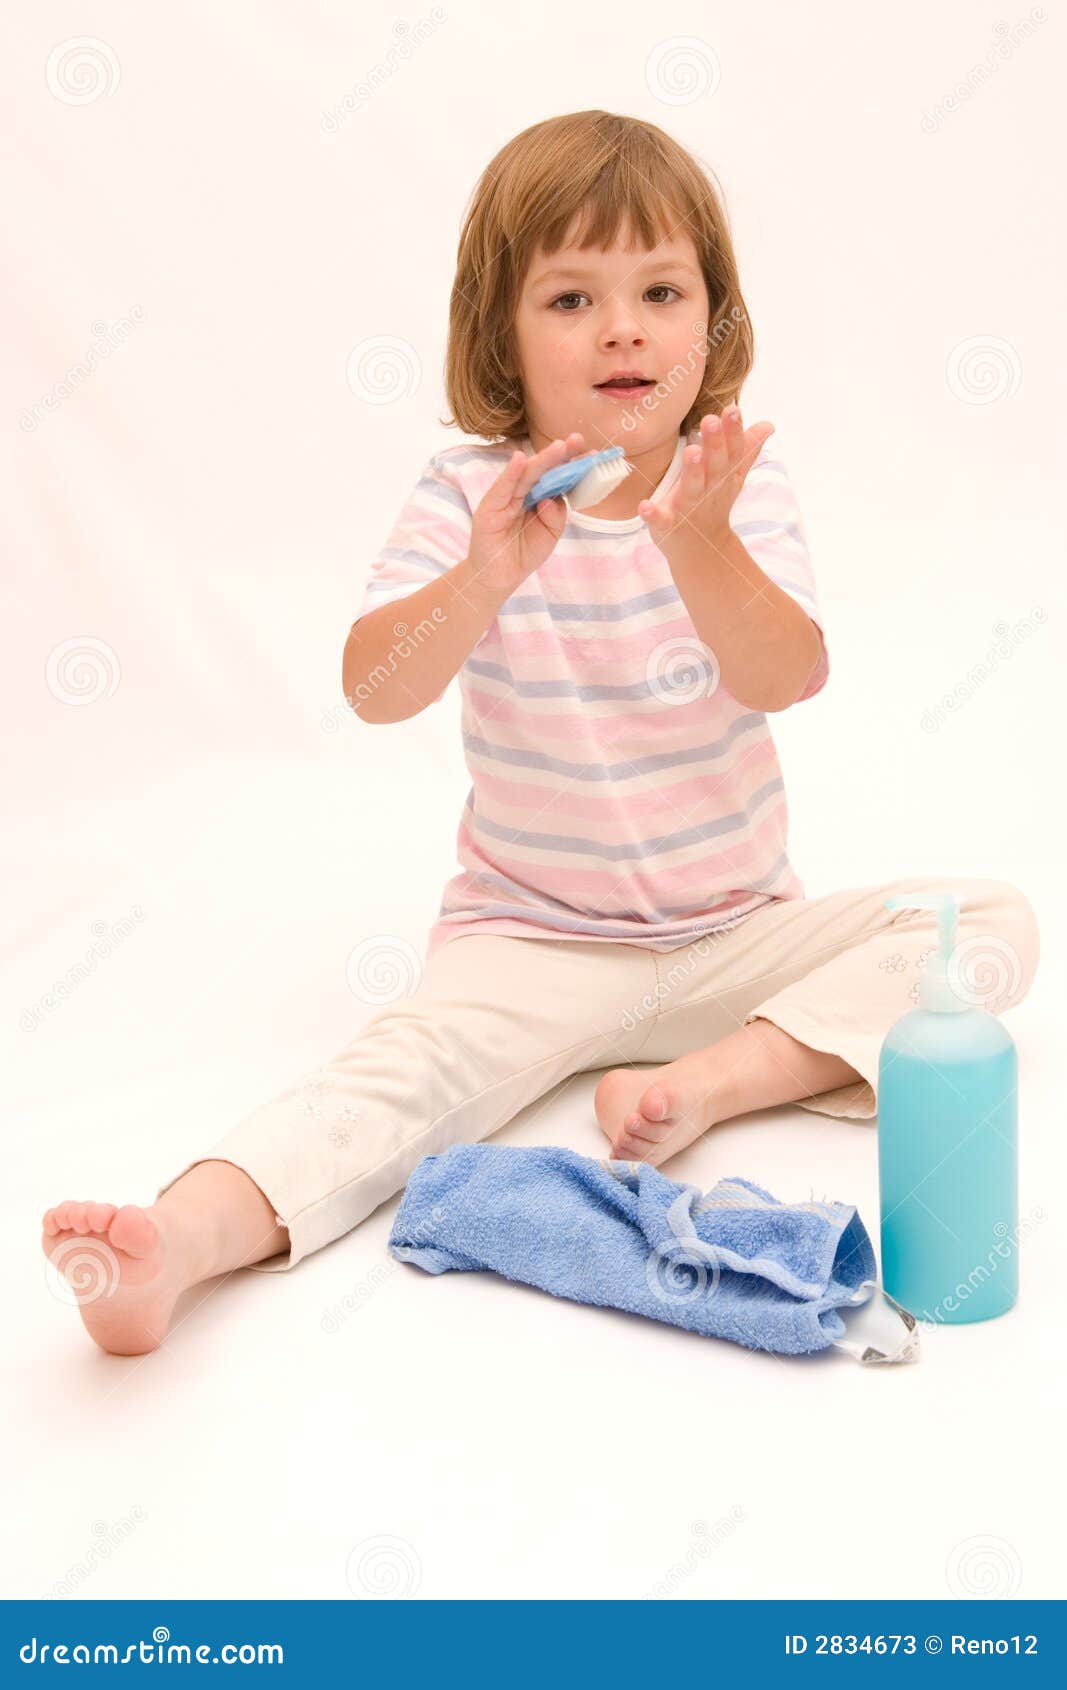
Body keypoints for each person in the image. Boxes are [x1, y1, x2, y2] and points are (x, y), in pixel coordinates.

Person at [41, 110, 1040, 1354]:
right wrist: (480, 577)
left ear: (709, 325)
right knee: (375, 1088)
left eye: (659, 291)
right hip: (530, 939)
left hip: (736, 932)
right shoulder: (470, 495)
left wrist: (700, 542)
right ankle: (175, 1243)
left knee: (986, 919)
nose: (621, 327)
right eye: (569, 298)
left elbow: (784, 674)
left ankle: (707, 1086)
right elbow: (376, 690)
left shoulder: (734, 486)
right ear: (502, 340)